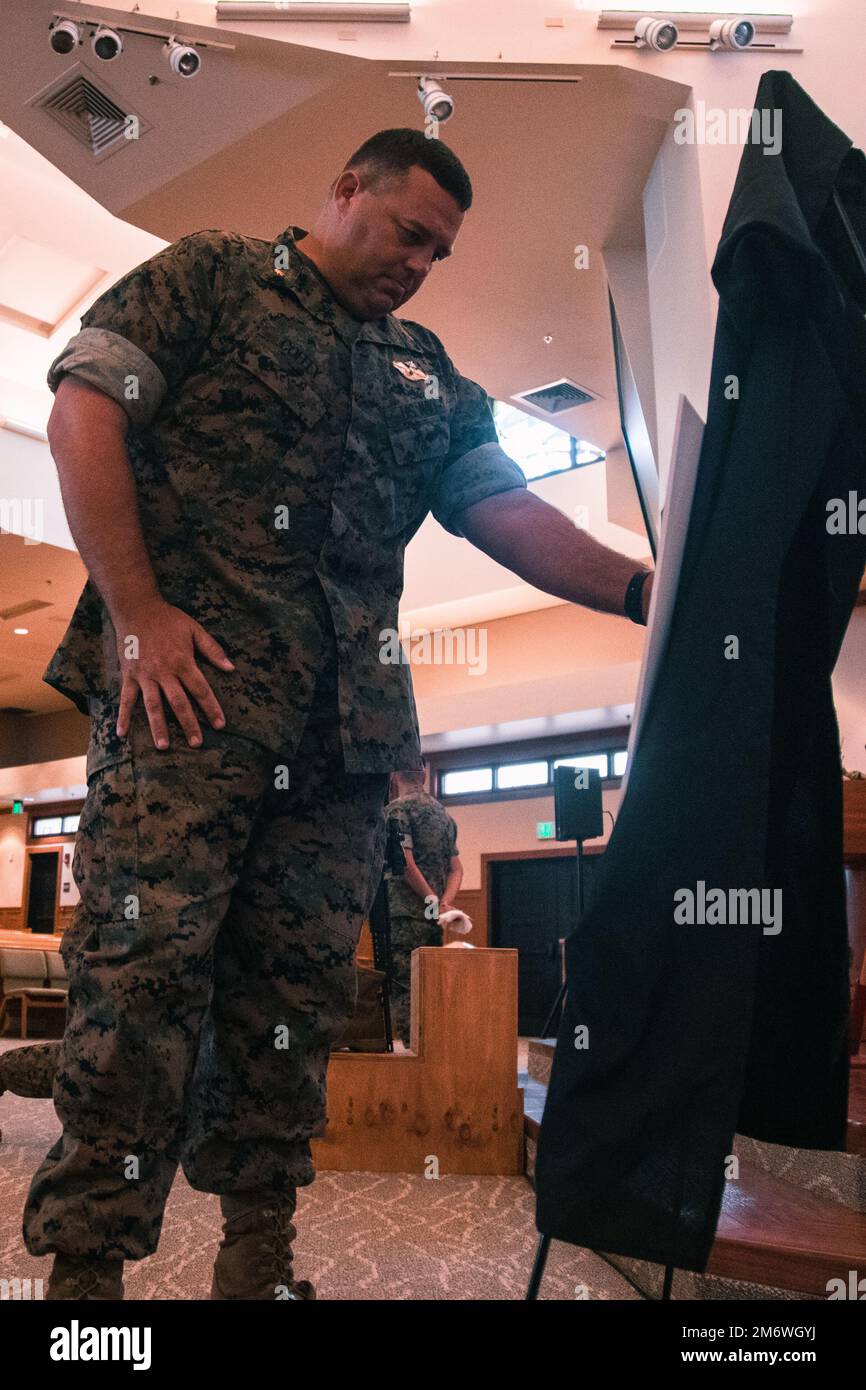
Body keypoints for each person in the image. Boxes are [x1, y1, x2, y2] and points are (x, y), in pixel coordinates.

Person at [22, 126, 653, 1301]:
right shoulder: (209, 275)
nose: (419, 263)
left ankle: (256, 1264)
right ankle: (84, 1285)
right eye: (408, 232)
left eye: (440, 251)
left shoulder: (425, 370)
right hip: (188, 712)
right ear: (345, 188)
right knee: (143, 976)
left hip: (344, 740)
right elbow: (80, 408)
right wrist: (139, 608)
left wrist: (640, 594)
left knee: (293, 996)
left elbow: (503, 514)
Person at [385, 764, 462, 1046]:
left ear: (394, 776)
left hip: (404, 914)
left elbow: (404, 862)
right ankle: (430, 1048)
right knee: (427, 985)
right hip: (433, 919)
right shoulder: (444, 815)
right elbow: (457, 869)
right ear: (425, 776)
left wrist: (429, 899)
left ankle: (412, 1052)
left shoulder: (397, 810)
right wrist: (443, 902)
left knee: (404, 984)